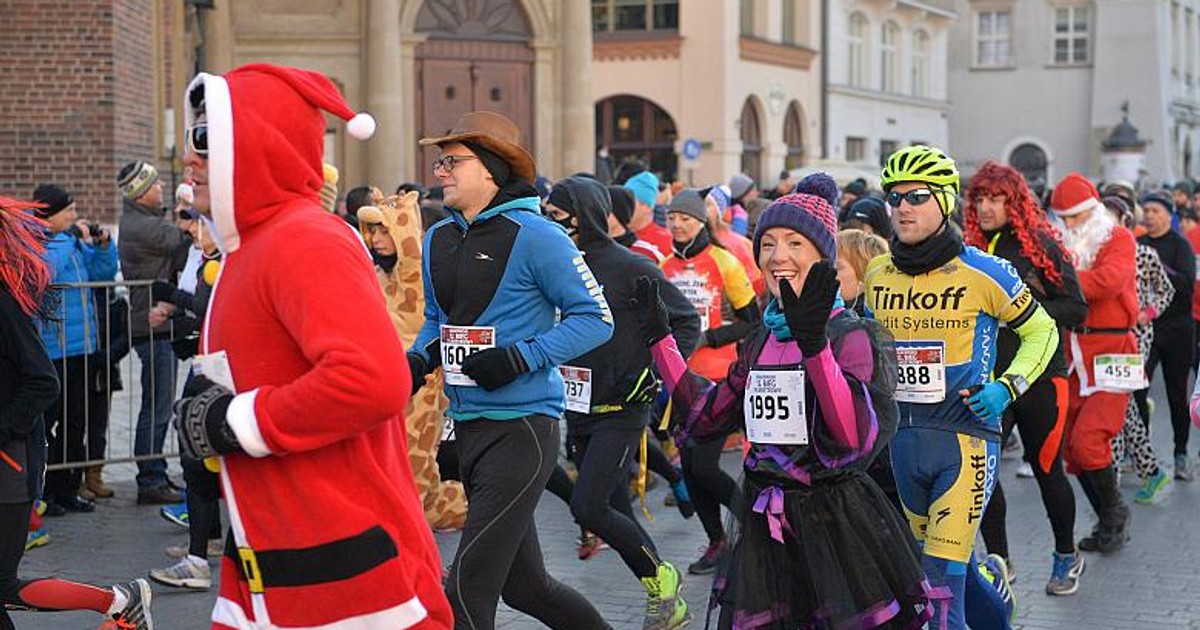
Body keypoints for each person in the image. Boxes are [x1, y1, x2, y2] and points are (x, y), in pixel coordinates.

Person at [175, 63, 452, 629]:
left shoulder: (304, 237)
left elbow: (373, 380)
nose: (189, 159)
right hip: (270, 557)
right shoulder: (251, 248)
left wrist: (236, 419)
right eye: (191, 139)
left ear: (258, 143)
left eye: (206, 139)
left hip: (343, 576)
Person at [635, 174, 933, 629]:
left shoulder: (848, 334)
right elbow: (708, 418)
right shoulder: (761, 339)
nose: (779, 256)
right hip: (765, 524)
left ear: (822, 256)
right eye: (768, 244)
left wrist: (814, 346)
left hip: (835, 525)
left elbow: (853, 437)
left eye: (795, 242)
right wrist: (662, 343)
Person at [410, 110, 613, 630]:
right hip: (470, 427)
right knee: (528, 589)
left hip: (522, 430)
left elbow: (597, 320)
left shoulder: (539, 235)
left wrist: (522, 356)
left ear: (491, 169)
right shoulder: (438, 239)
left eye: (453, 161)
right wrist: (419, 357)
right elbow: (439, 321)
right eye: (440, 161)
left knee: (463, 592)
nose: (441, 171)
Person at [865, 145, 1059, 628]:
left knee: (938, 587)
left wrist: (1007, 388)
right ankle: (999, 607)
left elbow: (1044, 331)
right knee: (944, 567)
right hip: (904, 442)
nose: (902, 207)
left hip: (965, 439)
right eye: (894, 197)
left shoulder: (984, 271)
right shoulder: (877, 273)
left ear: (946, 201)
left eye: (916, 196)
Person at [544, 175, 701, 630]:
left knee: (588, 505)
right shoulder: (555, 264)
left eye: (559, 215)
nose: (551, 222)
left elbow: (686, 321)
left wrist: (656, 374)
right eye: (547, 214)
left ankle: (664, 577)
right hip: (578, 409)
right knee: (604, 508)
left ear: (586, 216)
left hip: (624, 408)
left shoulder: (631, 267)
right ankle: (664, 596)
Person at [0, 195, 153, 630]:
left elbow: (42, 381)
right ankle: (120, 601)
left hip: (11, 464)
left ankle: (118, 601)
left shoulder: (3, 304)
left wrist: (3, 428)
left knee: (2, 587)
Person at [962, 161, 1088, 595]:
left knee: (1048, 469)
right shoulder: (971, 249)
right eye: (979, 197)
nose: (985, 206)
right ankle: (1002, 562)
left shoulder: (1040, 245)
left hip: (1040, 377)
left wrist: (1023, 310)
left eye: (995, 198)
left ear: (1014, 202)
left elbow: (1077, 308)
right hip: (992, 382)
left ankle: (1066, 556)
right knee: (984, 474)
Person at [661, 188, 760, 575]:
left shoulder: (725, 261)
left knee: (702, 466)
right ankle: (718, 540)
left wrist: (708, 337)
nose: (678, 224)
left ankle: (752, 526)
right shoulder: (665, 266)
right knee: (688, 466)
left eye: (685, 218)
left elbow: (752, 319)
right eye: (671, 218)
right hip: (680, 381)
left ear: (702, 222)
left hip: (718, 380)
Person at [357, 193, 468, 532]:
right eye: (372, 231)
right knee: (395, 470)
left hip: (422, 386)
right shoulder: (375, 273)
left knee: (412, 469)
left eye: (384, 231)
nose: (376, 240)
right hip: (382, 384)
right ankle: (473, 507)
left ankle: (412, 552)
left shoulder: (428, 275)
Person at [1049, 173, 1137, 555]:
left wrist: (1060, 282)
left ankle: (1114, 512)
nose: (1070, 226)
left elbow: (1107, 281)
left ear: (1094, 212)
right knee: (1071, 444)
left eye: (1077, 217)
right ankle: (1108, 518)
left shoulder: (1119, 238)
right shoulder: (1063, 243)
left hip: (1114, 347)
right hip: (1074, 352)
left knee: (1089, 440)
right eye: (1064, 219)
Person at [146, 211, 225, 591]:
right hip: (206, 368)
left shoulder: (225, 263)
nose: (192, 230)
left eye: (199, 224)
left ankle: (200, 558)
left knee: (199, 461)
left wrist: (172, 298)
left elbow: (211, 309)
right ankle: (205, 544)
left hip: (219, 375)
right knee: (198, 462)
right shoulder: (208, 260)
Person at [30, 184, 119, 516]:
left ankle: (68, 488)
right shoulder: (41, 242)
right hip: (54, 349)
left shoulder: (69, 243)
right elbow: (46, 272)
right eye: (68, 211)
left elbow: (103, 272)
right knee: (52, 423)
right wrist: (71, 238)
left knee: (75, 422)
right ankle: (46, 493)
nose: (74, 216)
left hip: (82, 347)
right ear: (50, 215)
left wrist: (104, 247)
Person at [117, 159, 186, 505]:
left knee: (158, 403)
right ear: (141, 192)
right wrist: (190, 214)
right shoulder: (141, 227)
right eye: (156, 185)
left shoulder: (142, 220)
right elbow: (181, 241)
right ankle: (150, 479)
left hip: (158, 324)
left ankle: (155, 472)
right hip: (153, 326)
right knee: (157, 406)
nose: (162, 189)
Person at [1101, 196, 1172, 504]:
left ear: (1125, 221)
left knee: (1118, 403)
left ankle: (1115, 479)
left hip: (1136, 338)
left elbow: (1166, 290)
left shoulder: (1143, 254)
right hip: (1106, 340)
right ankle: (1149, 470)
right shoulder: (1095, 257)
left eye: (1111, 218)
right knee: (1120, 406)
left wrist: (1150, 312)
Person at [1136, 191, 1196, 479]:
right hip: (1146, 330)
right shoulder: (1138, 244)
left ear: (1168, 215)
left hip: (1177, 330)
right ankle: (1140, 451)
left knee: (1176, 394)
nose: (1149, 215)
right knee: (1137, 391)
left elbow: (1186, 286)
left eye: (1155, 210)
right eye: (1146, 210)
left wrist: (1157, 267)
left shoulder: (1179, 245)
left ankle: (1181, 452)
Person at [625, 171, 673, 259]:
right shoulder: (615, 235)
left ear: (647, 206)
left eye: (629, 202)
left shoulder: (667, 242)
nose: (623, 206)